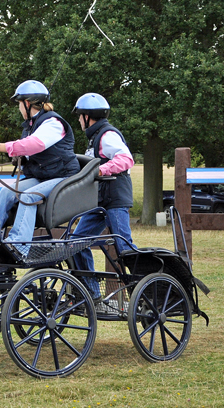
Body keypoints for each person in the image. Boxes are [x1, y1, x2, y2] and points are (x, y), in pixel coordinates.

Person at [0, 79, 80, 258]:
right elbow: (31, 150)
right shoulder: (32, 126)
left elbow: (34, 145)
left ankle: (18, 244)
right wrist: (22, 158)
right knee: (6, 192)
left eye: (19, 104)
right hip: (44, 176)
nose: (19, 108)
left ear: (27, 103)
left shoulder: (53, 123)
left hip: (63, 176)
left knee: (28, 196)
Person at [71, 92, 136, 300]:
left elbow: (126, 159)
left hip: (115, 199)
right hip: (98, 202)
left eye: (80, 116)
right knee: (76, 243)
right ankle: (92, 293)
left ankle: (148, 289)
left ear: (88, 116)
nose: (79, 120)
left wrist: (101, 170)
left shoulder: (107, 135)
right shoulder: (94, 138)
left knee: (124, 246)